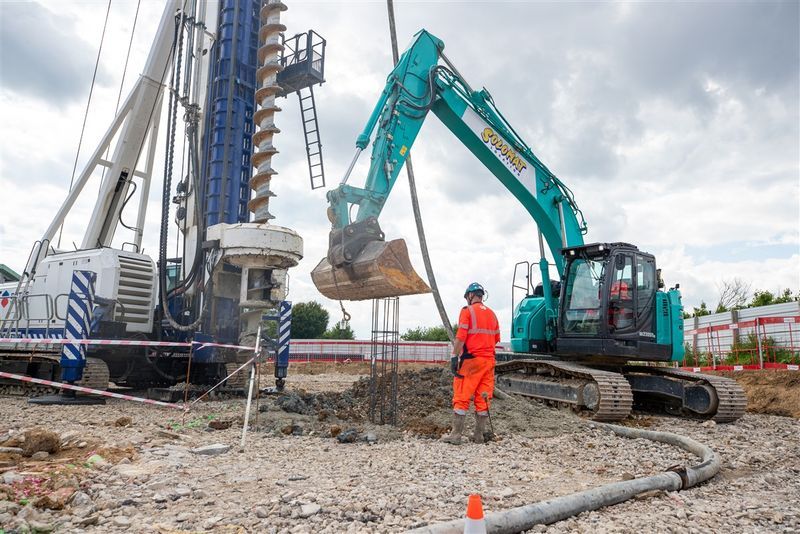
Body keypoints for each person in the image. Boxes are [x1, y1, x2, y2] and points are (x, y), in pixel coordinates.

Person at [441, 282, 501, 445]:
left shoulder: (467, 311)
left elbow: (461, 337)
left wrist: (454, 356)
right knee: (483, 398)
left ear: (470, 295)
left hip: (471, 361)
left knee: (461, 396)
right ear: (482, 295)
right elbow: (496, 339)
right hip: (488, 362)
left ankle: (456, 435)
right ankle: (479, 436)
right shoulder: (492, 314)